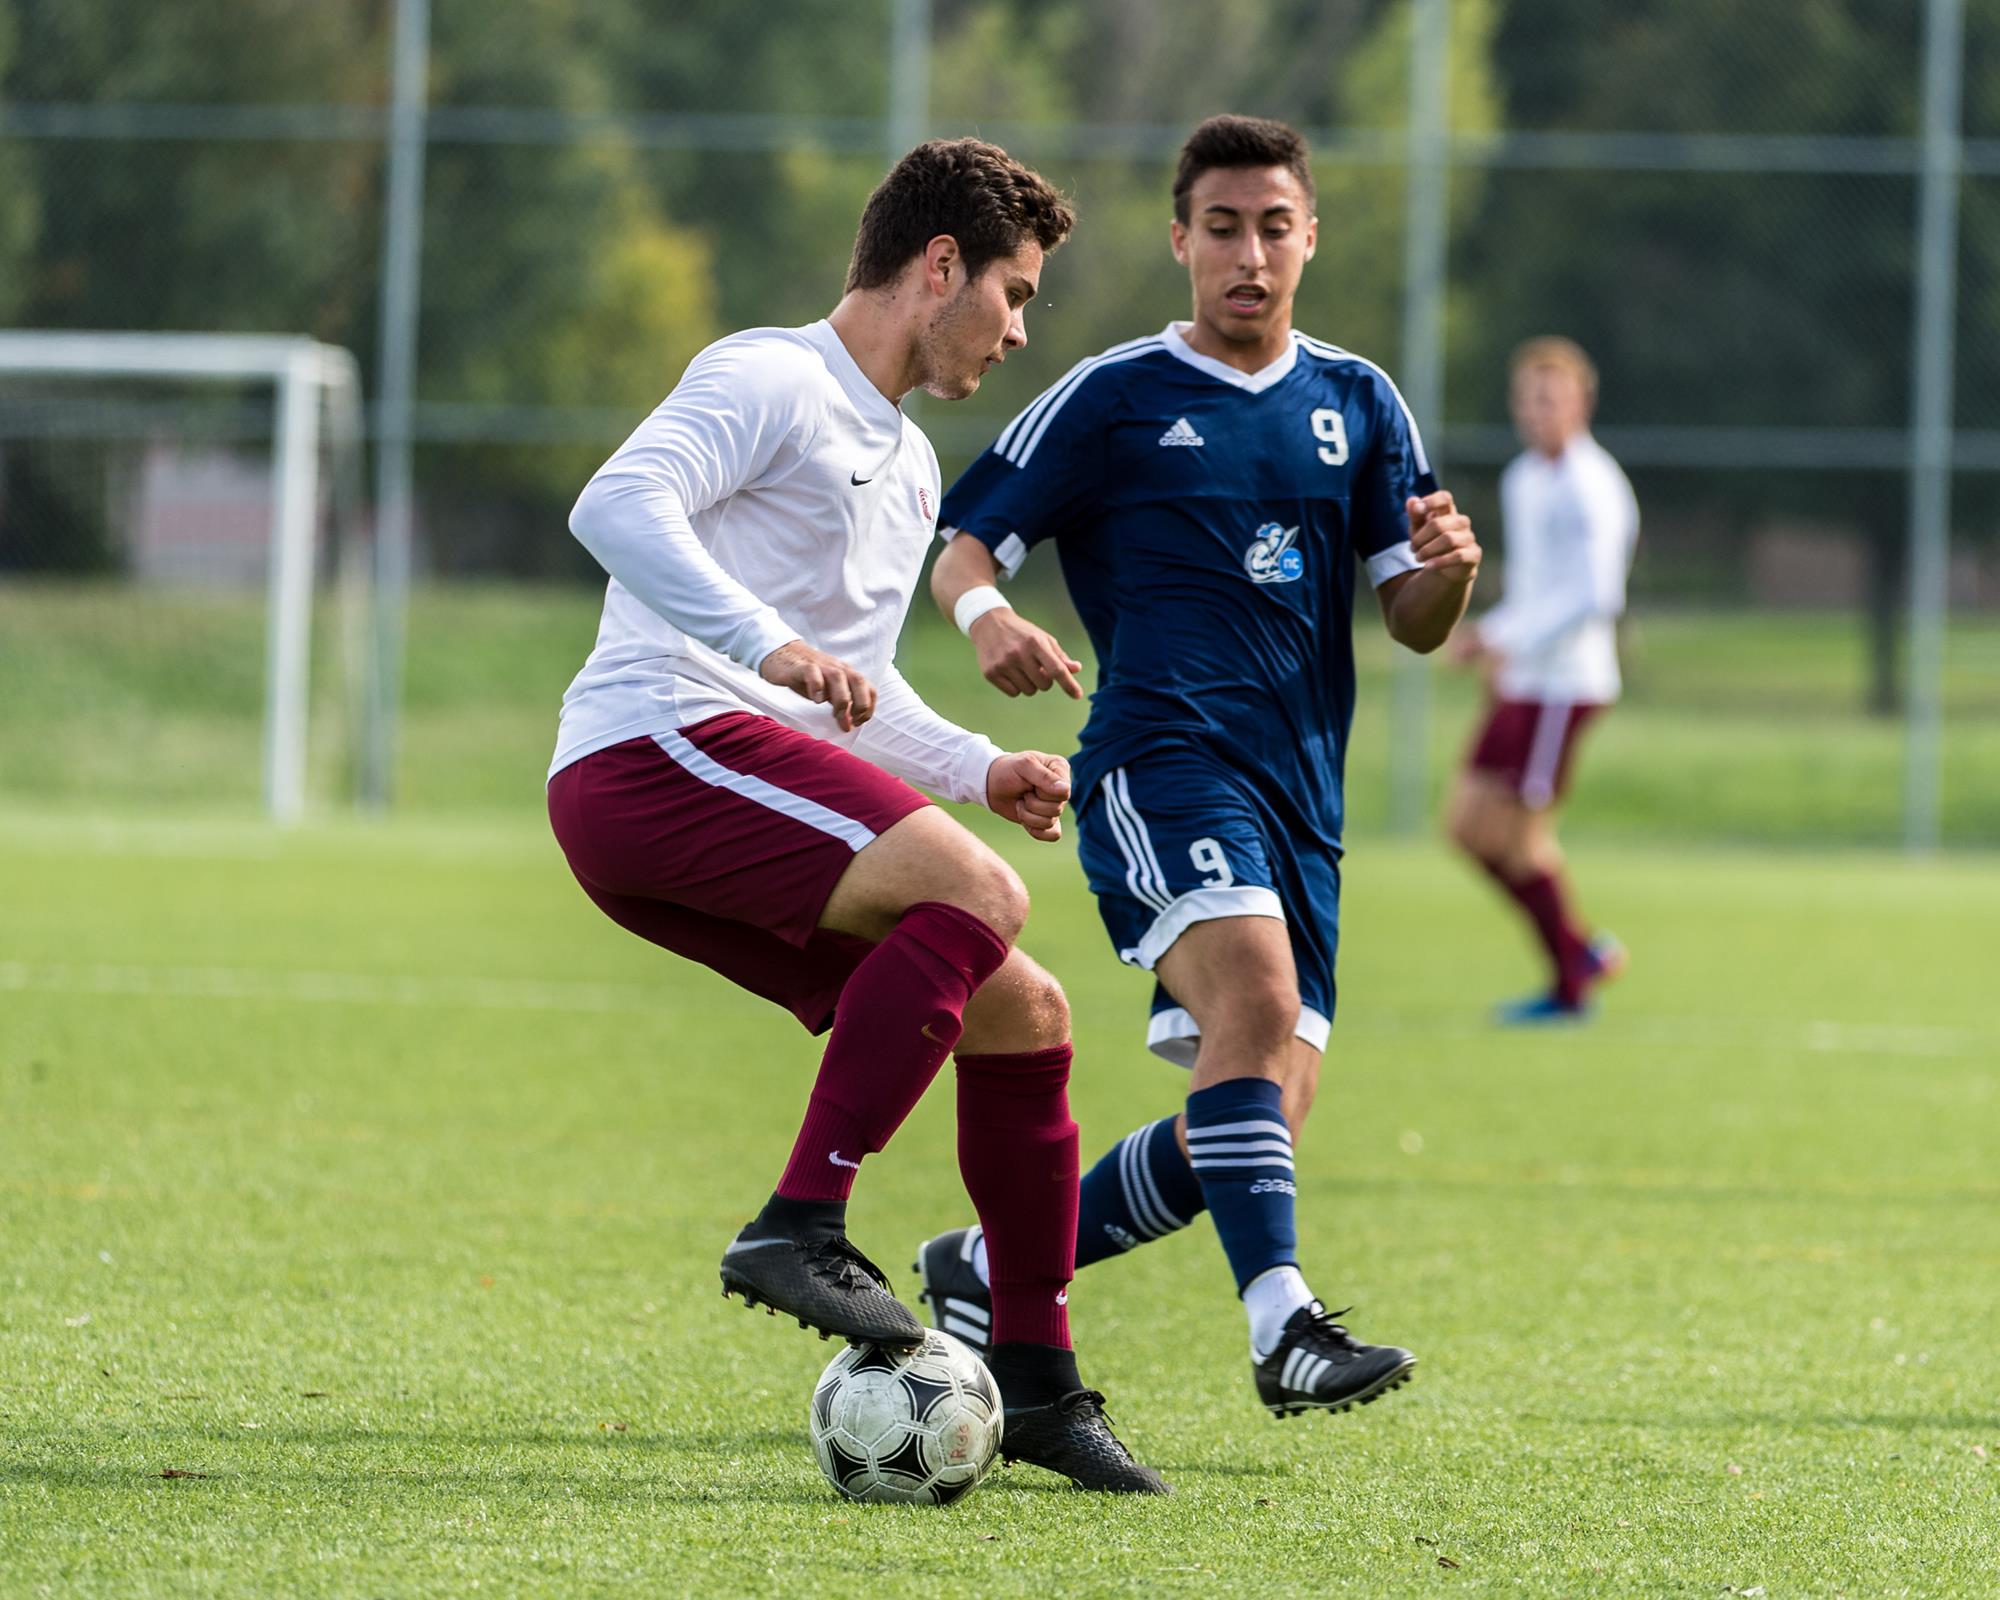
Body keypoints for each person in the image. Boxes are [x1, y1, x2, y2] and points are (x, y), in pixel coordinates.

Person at [546, 138, 1166, 1492]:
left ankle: (1043, 1381)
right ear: (939, 266)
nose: (1017, 329)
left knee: (1027, 1006)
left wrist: (979, 765)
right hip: (652, 749)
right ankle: (800, 1221)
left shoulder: (909, 463)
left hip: (727, 771)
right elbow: (617, 503)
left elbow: (854, 690)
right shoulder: (768, 374)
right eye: (1014, 292)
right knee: (980, 897)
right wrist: (764, 648)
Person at [914, 115, 1481, 1421]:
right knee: (1256, 997)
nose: (1249, 252)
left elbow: (1411, 620)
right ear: (1181, 240)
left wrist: (1450, 579)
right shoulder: (1117, 396)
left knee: (1255, 1104)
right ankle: (1284, 1328)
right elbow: (965, 540)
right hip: (1160, 764)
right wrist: (987, 616)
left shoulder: (1359, 402)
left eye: (1274, 225)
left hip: (1302, 800)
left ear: (1309, 239)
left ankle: (985, 1268)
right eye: (1222, 226)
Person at [1444, 337, 1639, 1023]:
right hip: (1524, 679)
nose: (1537, 410)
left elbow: (1595, 595)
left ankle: (1570, 984)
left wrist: (1503, 637)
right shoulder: (1525, 477)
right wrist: (1491, 636)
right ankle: (1578, 950)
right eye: (1527, 397)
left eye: (1551, 396)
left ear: (1581, 402)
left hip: (1565, 686)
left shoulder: (1594, 485)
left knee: (1524, 842)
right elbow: (1535, 589)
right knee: (1466, 829)